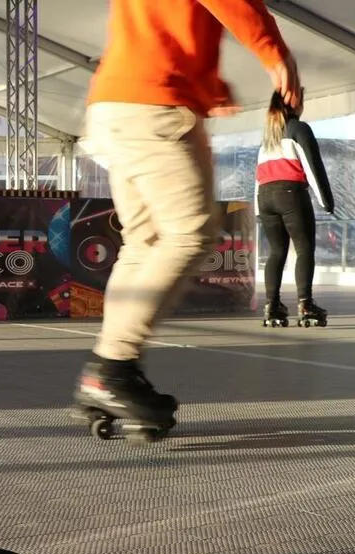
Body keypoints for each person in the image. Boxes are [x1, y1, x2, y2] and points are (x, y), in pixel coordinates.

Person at [74, 0, 300, 428]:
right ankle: (112, 368)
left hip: (114, 104)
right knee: (189, 234)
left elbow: (164, 22)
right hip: (155, 103)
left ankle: (105, 373)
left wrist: (207, 83)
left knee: (143, 245)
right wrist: (275, 53)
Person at [255, 89, 334, 327]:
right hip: (291, 194)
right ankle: (306, 304)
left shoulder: (269, 135)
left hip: (266, 197)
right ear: (293, 101)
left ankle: (272, 305)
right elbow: (313, 167)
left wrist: (259, 209)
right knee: (304, 249)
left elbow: (259, 175)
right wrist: (327, 201)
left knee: (277, 252)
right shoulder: (298, 128)